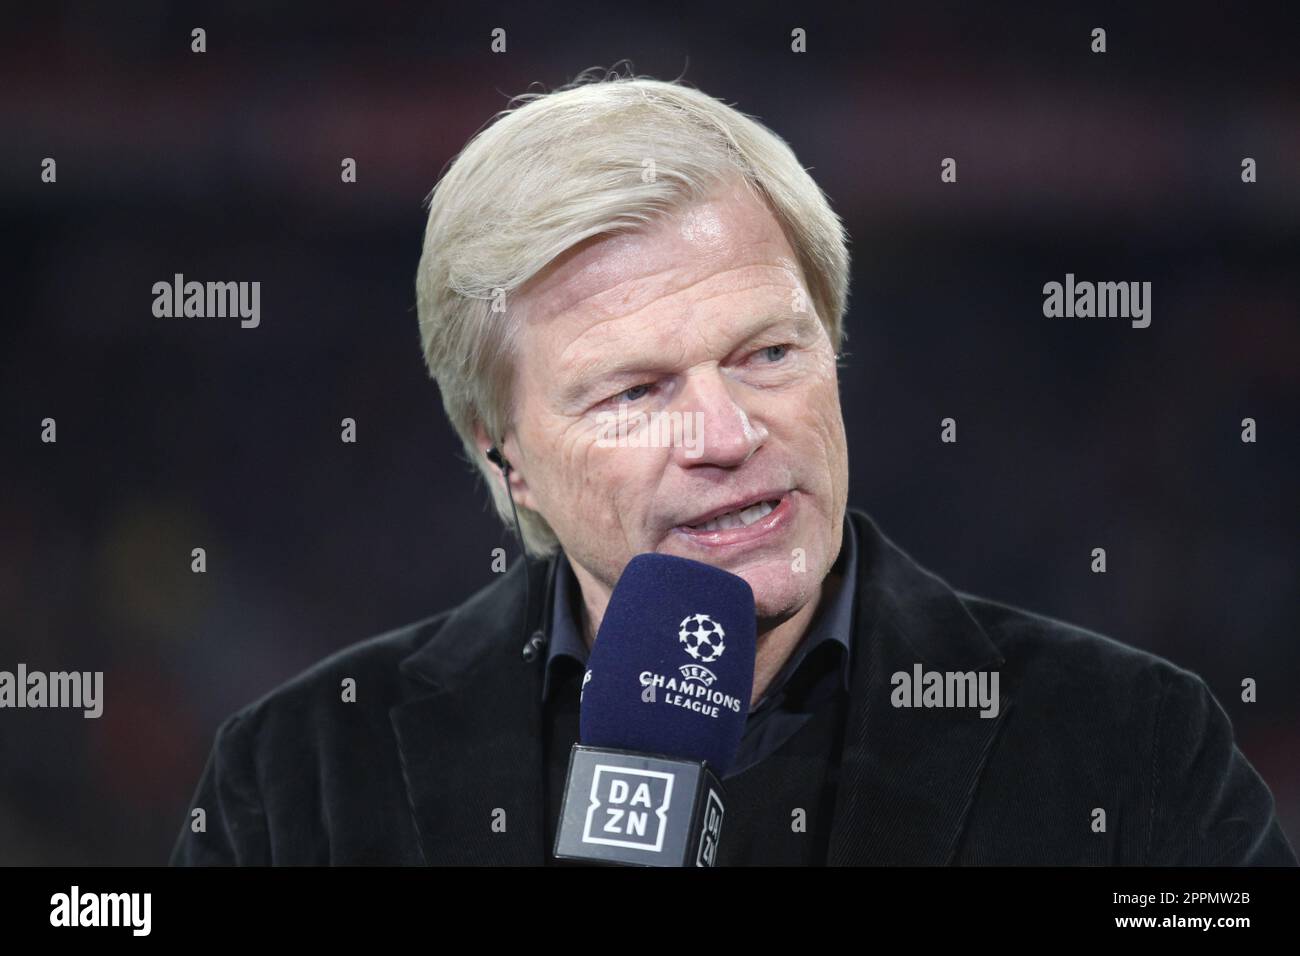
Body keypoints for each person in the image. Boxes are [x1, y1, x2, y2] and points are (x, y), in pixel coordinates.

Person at [171, 72, 1295, 866]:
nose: (723, 430)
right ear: (503, 457)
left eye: (766, 352)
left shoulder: (1128, 740)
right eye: (634, 391)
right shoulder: (301, 774)